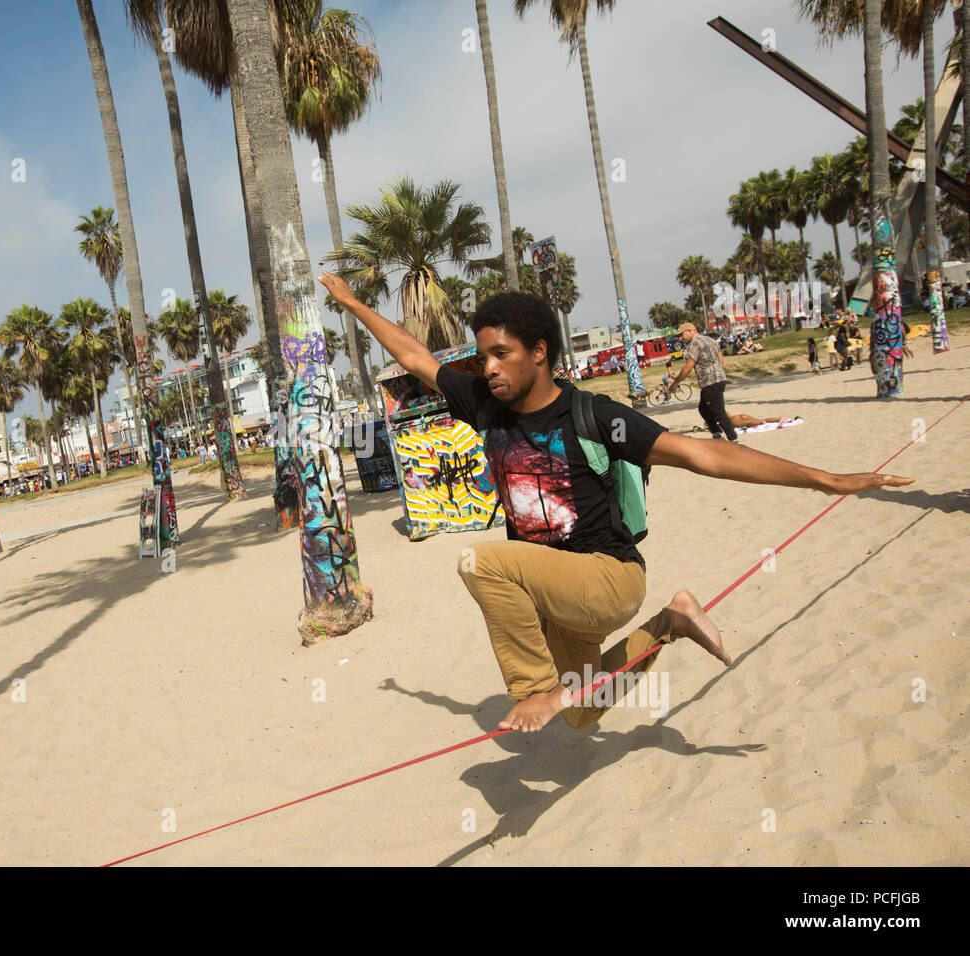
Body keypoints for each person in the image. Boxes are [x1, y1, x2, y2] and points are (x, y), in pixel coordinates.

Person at [318, 270, 912, 734]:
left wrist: (826, 479)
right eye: (484, 358)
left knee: (481, 563)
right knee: (581, 711)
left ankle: (534, 691)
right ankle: (672, 620)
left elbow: (705, 455)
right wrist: (352, 304)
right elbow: (416, 358)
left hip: (607, 577)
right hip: (554, 595)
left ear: (541, 352)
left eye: (502, 354)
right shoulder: (485, 403)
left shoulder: (592, 414)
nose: (490, 368)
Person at [669, 322, 738, 442]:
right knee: (704, 409)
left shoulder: (694, 344)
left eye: (681, 335)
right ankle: (716, 433)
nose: (680, 338)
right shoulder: (710, 340)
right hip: (720, 379)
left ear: (690, 331)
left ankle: (733, 439)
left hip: (709, 382)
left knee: (719, 412)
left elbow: (688, 367)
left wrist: (675, 382)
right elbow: (721, 360)